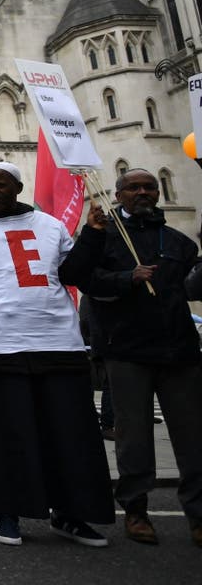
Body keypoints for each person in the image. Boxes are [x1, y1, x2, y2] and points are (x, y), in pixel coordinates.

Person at [0, 161, 113, 548]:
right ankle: (8, 514)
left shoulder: (52, 226)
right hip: (1, 343)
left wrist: (92, 234)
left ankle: (71, 515)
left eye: (0, 185)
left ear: (17, 188)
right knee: (8, 434)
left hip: (58, 340)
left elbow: (75, 274)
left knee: (69, 433)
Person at [60, 168, 202, 547]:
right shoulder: (105, 240)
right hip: (127, 352)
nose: (142, 192)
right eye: (133, 187)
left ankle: (198, 514)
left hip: (179, 352)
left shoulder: (178, 243)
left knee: (192, 438)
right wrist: (125, 275)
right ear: (118, 194)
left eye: (148, 187)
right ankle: (136, 510)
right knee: (134, 437)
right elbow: (75, 276)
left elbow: (190, 288)